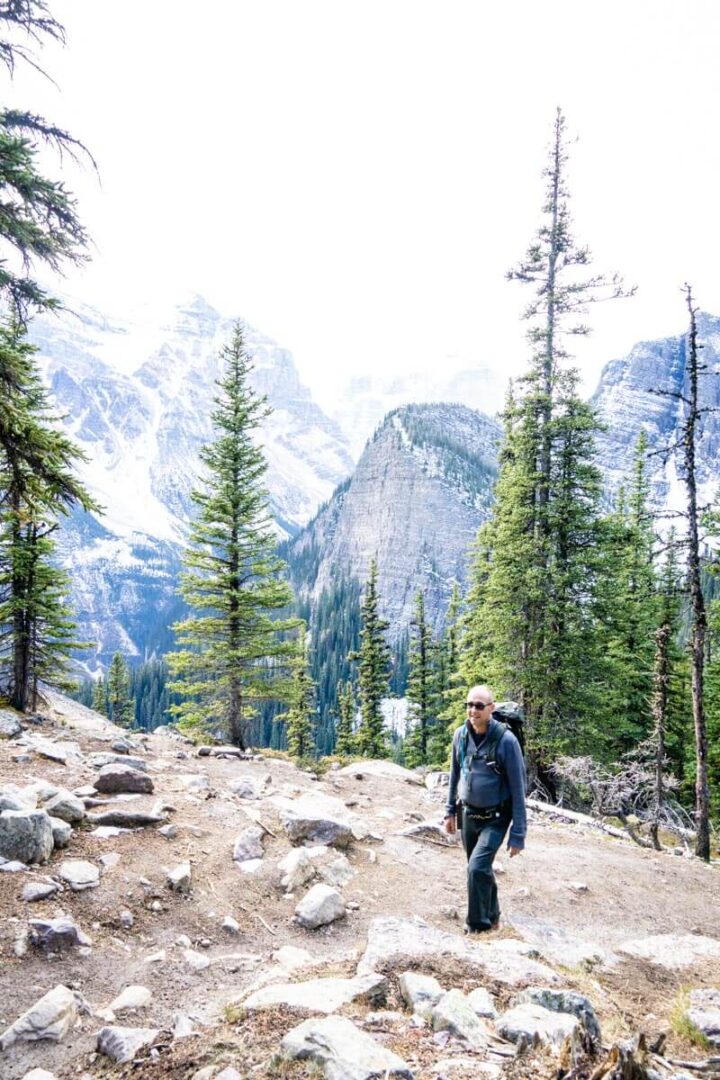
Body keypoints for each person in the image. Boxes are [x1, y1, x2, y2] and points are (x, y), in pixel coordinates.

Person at [443, 684, 526, 933]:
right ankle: (493, 915)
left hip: (496, 817)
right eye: (469, 705)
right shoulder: (460, 735)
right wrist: (450, 812)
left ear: (491, 708)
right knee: (479, 869)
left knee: (476, 867)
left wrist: (518, 834)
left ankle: (478, 927)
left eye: (479, 706)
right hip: (468, 814)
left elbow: (518, 789)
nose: (473, 710)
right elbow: (454, 774)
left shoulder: (506, 742)